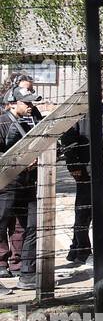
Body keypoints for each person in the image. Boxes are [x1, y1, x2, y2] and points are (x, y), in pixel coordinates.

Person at [0, 90, 41, 293]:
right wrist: (19, 160)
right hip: (6, 184)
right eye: (27, 103)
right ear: (14, 103)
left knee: (31, 226)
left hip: (27, 181)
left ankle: (27, 273)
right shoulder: (2, 122)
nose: (31, 106)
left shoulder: (31, 120)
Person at [58, 117, 93, 267]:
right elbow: (68, 141)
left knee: (87, 210)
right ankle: (83, 252)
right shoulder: (80, 114)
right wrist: (74, 167)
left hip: (99, 168)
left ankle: (75, 248)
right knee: (84, 211)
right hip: (86, 170)